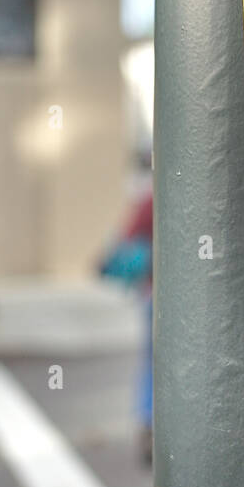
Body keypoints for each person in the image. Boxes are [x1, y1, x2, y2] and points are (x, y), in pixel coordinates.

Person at [99, 186, 153, 465]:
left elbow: (129, 237)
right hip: (166, 297)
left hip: (156, 296)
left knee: (153, 363)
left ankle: (149, 423)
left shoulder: (153, 197)